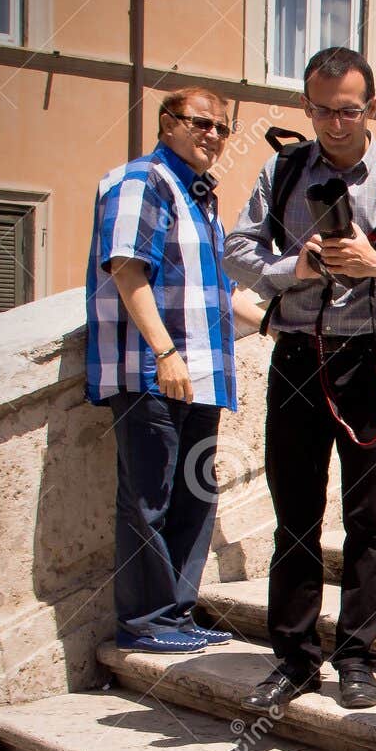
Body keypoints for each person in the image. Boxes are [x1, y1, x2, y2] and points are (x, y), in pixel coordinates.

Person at [225, 47, 376, 713]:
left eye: (348, 109)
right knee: (295, 519)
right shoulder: (283, 169)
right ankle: (295, 658)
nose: (334, 123)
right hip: (299, 357)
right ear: (307, 106)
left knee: (367, 519)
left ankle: (355, 656)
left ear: (371, 107)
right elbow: (236, 251)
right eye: (321, 109)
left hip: (374, 363)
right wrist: (287, 270)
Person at [86, 88, 263, 653]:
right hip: (153, 371)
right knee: (148, 497)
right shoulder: (140, 181)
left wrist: (288, 323)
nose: (212, 135)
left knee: (193, 496)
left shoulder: (200, 198)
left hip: (204, 376)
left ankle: (178, 615)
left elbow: (221, 293)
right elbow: (126, 268)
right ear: (167, 124)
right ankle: (144, 622)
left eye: (221, 128)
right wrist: (165, 354)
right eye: (200, 123)